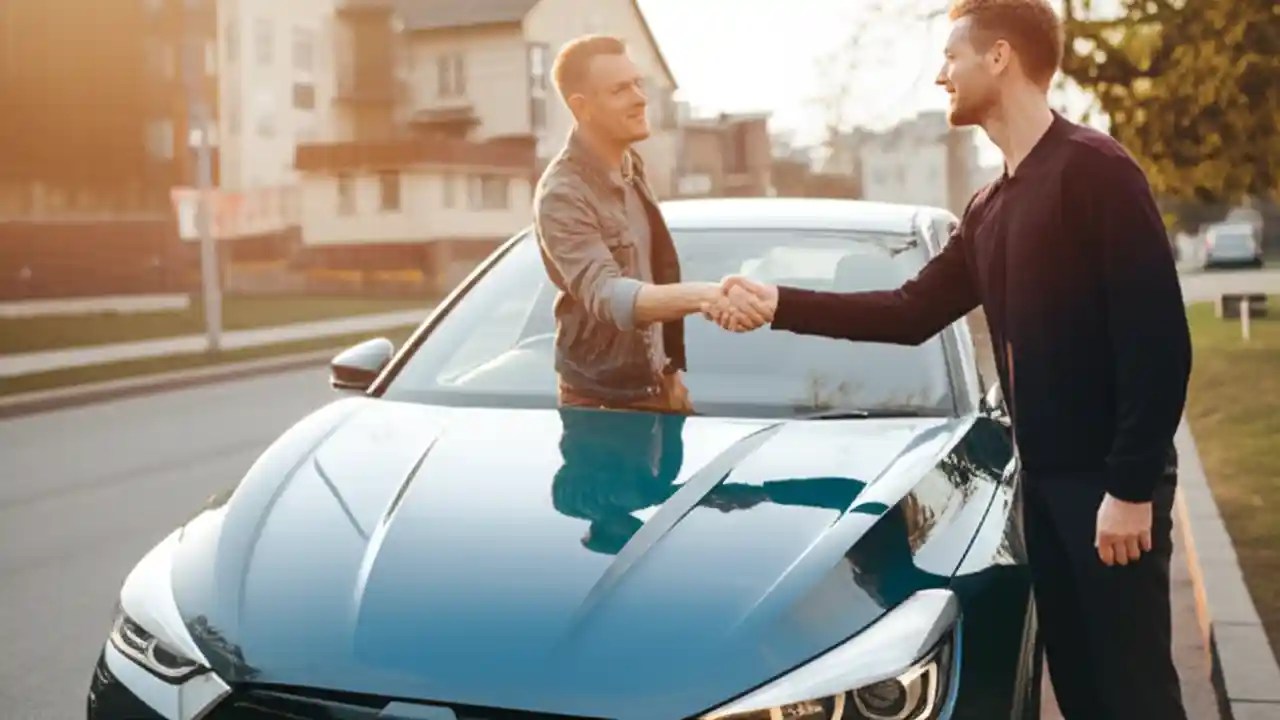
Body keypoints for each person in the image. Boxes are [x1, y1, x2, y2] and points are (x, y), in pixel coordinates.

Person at [704, 1, 1192, 717]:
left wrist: (1129, 489)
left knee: (1135, 693)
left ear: (999, 57)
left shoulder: (1096, 171)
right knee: (1084, 693)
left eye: (951, 58)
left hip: (1107, 490)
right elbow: (909, 313)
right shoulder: (988, 207)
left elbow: (1158, 343)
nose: (941, 76)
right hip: (1043, 490)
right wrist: (779, 302)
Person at [534, 34, 722, 414]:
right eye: (621, 89)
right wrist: (707, 297)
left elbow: (650, 272)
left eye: (638, 83)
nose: (641, 97)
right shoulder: (562, 194)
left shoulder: (630, 166)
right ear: (582, 107)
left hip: (654, 386)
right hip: (602, 405)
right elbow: (609, 295)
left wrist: (667, 371)